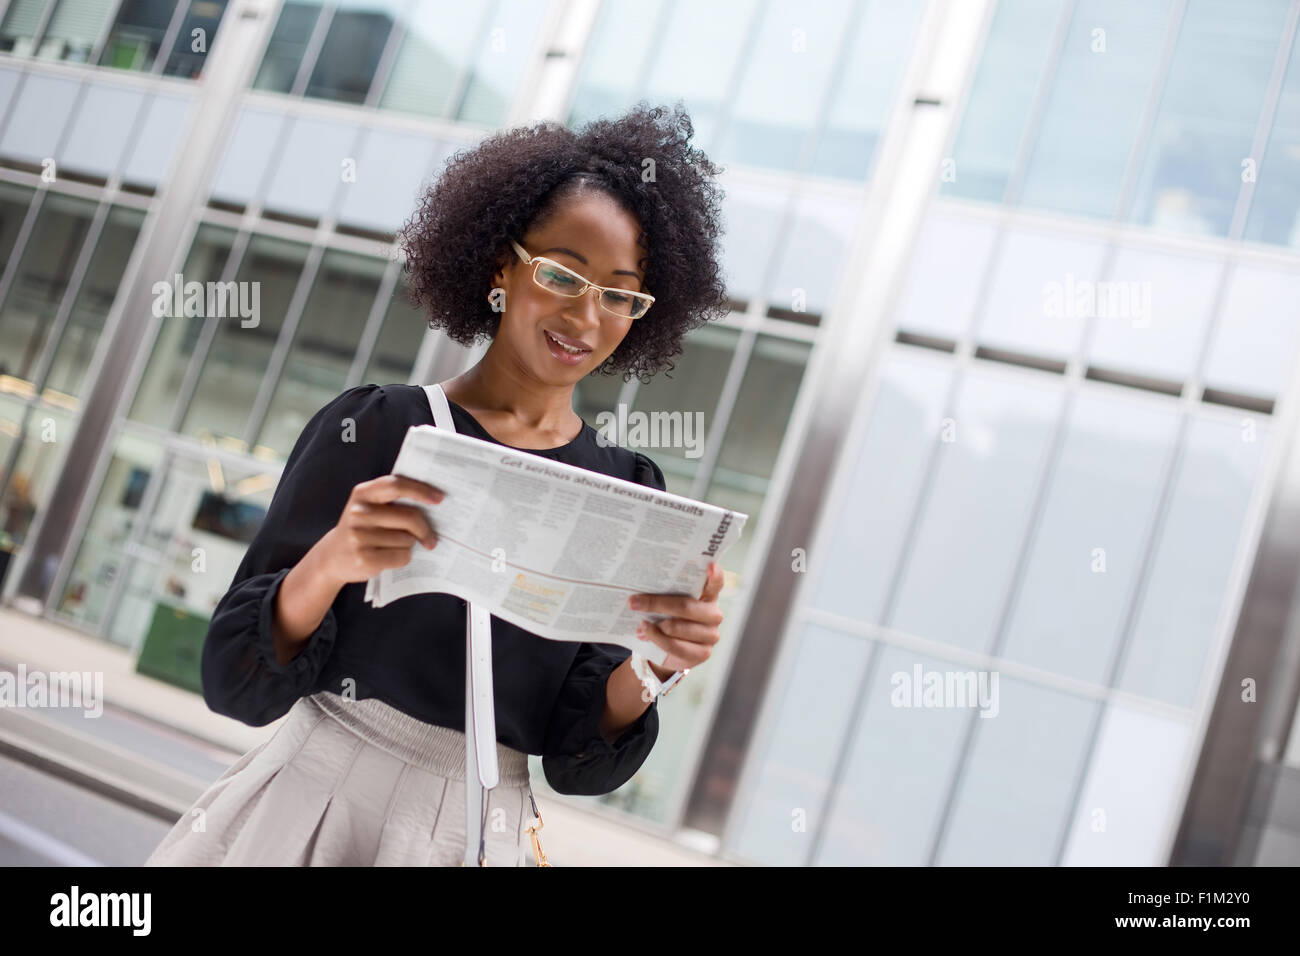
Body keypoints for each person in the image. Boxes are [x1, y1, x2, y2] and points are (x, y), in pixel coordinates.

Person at [144, 101, 732, 866]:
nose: (587, 317)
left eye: (620, 295)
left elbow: (576, 759)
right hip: (314, 801)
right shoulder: (378, 427)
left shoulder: (628, 491)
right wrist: (332, 560)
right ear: (500, 267)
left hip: (480, 832)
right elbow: (236, 684)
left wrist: (656, 664)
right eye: (561, 275)